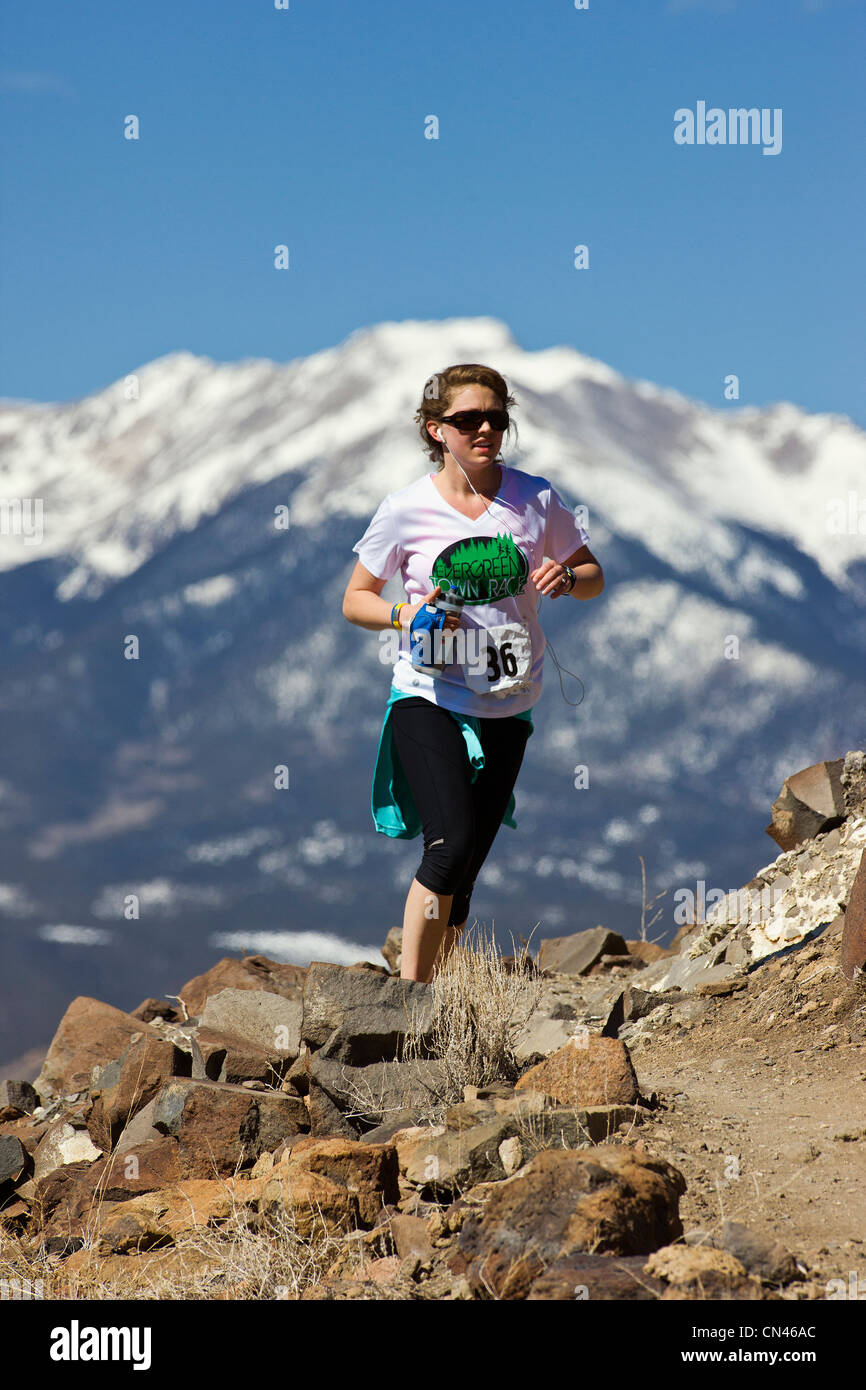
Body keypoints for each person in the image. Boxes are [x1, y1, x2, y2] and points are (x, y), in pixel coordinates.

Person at [342, 363, 604, 983]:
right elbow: (355, 599)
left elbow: (592, 576)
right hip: (427, 693)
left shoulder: (535, 498)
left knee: (469, 864)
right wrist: (405, 615)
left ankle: (447, 996)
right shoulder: (404, 510)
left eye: (496, 417)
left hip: (509, 699)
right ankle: (410, 998)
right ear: (436, 430)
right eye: (467, 420)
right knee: (448, 845)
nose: (485, 428)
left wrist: (566, 578)